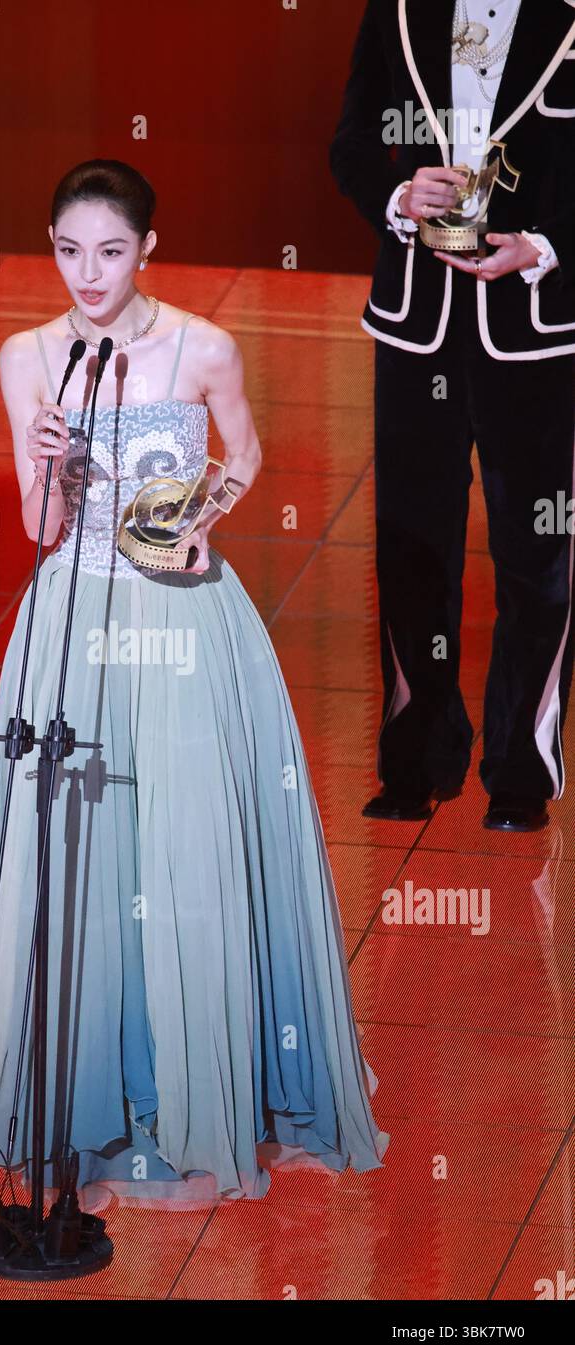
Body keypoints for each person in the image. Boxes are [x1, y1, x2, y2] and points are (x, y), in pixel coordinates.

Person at [0, 158, 389, 1213]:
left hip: (183, 620)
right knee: (78, 856)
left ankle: (194, 1089)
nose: (86, 273)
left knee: (186, 850)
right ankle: (83, 1088)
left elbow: (249, 451)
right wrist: (47, 459)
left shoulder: (202, 346)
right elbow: (41, 528)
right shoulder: (28, 356)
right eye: (66, 249)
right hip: (74, 619)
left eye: (110, 250)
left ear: (147, 250)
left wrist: (203, 517)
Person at [330, 0, 575, 832]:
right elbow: (352, 142)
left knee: (534, 554)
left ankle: (519, 771)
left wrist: (540, 247)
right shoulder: (399, 11)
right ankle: (415, 759)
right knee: (410, 545)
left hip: (536, 331)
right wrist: (400, 194)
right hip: (414, 327)